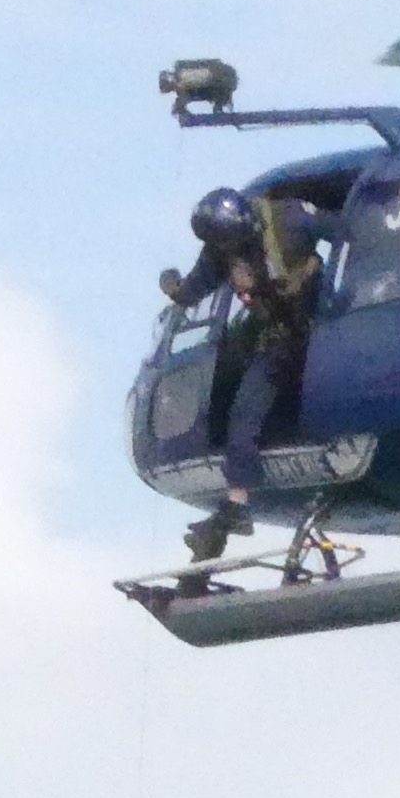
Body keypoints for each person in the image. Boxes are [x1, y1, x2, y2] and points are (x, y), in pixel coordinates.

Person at [158, 186, 328, 560]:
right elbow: (194, 288)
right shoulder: (219, 253)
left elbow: (345, 229)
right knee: (243, 414)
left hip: (324, 332)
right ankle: (236, 505)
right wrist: (173, 287)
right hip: (280, 340)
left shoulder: (288, 219)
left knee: (251, 407)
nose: (231, 249)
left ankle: (237, 503)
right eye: (224, 244)